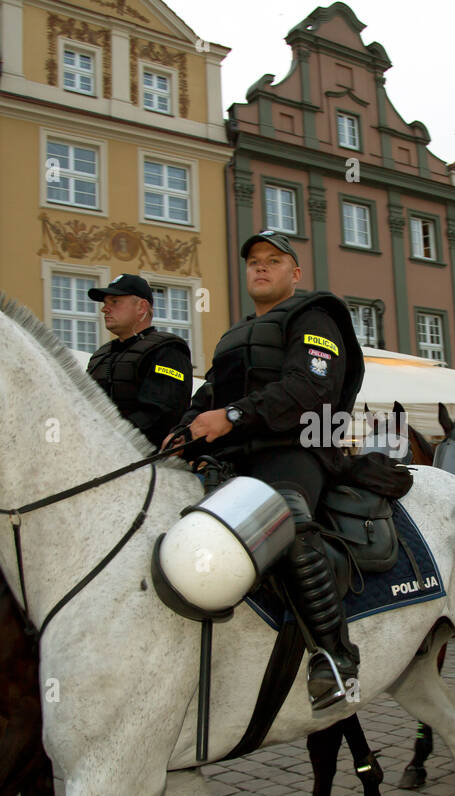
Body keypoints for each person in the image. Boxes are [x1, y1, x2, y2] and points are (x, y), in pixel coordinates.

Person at [164, 230, 364, 712]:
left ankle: (335, 658)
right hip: (236, 456)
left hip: (296, 448)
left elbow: (308, 392)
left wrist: (231, 417)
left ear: (294, 272)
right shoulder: (235, 335)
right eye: (253, 260)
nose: (260, 267)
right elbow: (209, 396)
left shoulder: (314, 316)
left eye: (273, 260)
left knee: (286, 519)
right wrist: (185, 429)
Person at [85, 274, 192, 448]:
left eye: (114, 302)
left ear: (141, 307)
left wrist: (109, 436)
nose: (104, 309)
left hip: (149, 462)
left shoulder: (167, 351)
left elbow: (161, 414)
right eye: (105, 303)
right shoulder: (100, 357)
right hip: (99, 455)